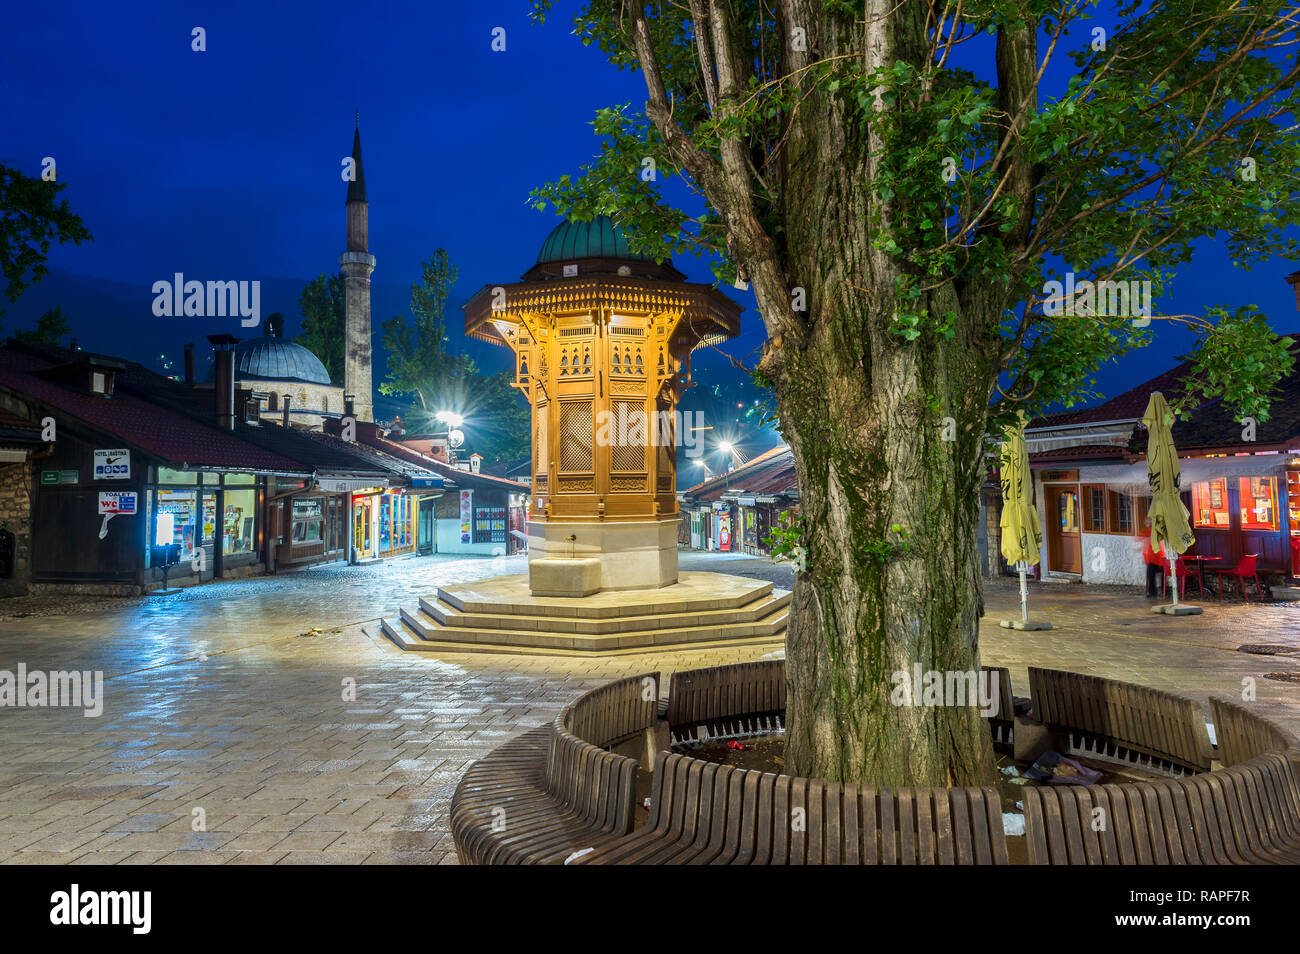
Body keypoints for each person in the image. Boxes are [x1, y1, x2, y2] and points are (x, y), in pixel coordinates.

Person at [1142, 534, 1165, 598]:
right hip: (1155, 564)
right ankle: (1152, 591)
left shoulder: (1158, 544)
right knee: (1150, 568)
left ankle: (1162, 591)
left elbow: (1161, 556)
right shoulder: (1151, 545)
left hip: (1161, 565)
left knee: (1151, 568)